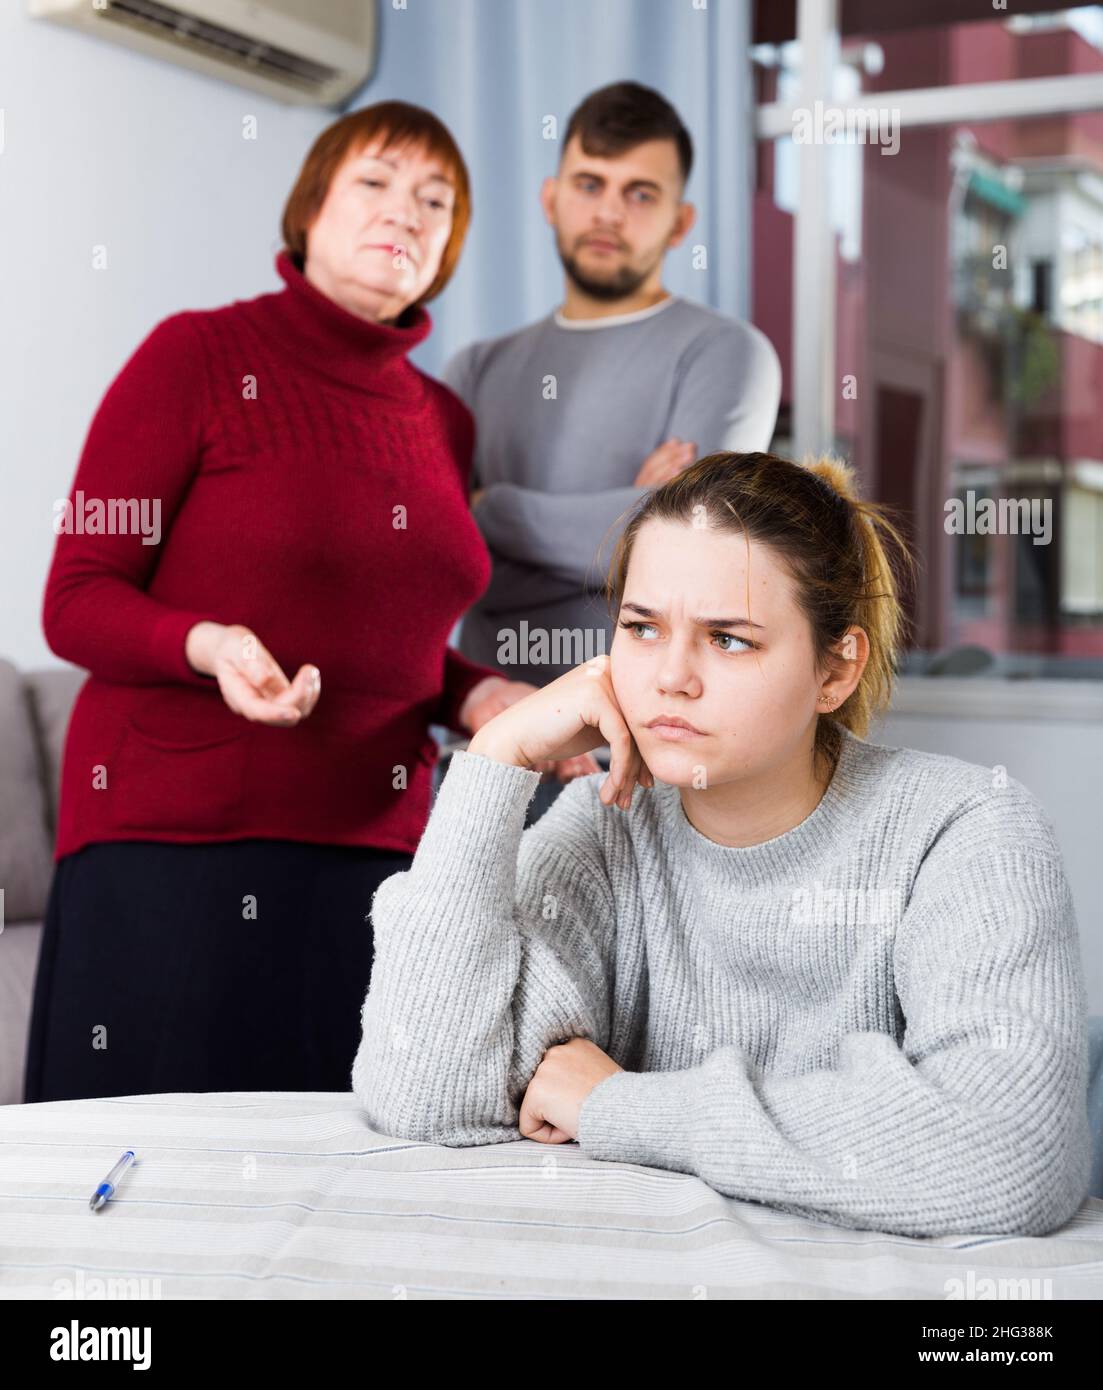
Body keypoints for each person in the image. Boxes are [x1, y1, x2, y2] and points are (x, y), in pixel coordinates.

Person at [352, 450, 1092, 1238]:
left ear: (835, 671)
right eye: (641, 628)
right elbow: (423, 1094)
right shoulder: (603, 822)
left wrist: (617, 1105)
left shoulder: (967, 829)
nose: (671, 677)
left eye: (728, 640)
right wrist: (496, 761)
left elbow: (1012, 1155)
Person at [25, 101, 548, 1103]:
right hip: (179, 845)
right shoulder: (194, 356)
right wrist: (209, 644)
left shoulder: (442, 419)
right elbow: (76, 598)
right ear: (309, 209)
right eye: (375, 183)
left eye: (434, 200)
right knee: (166, 1186)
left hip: (382, 855)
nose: (406, 212)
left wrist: (473, 696)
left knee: (331, 1188)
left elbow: (385, 641)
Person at [442, 80, 782, 821]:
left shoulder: (726, 355)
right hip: (485, 760)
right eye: (589, 184)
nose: (606, 212)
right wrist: (629, 521)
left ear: (678, 220)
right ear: (549, 198)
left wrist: (489, 510)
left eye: (638, 193)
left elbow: (688, 561)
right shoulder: (473, 368)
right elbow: (449, 569)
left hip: (639, 771)